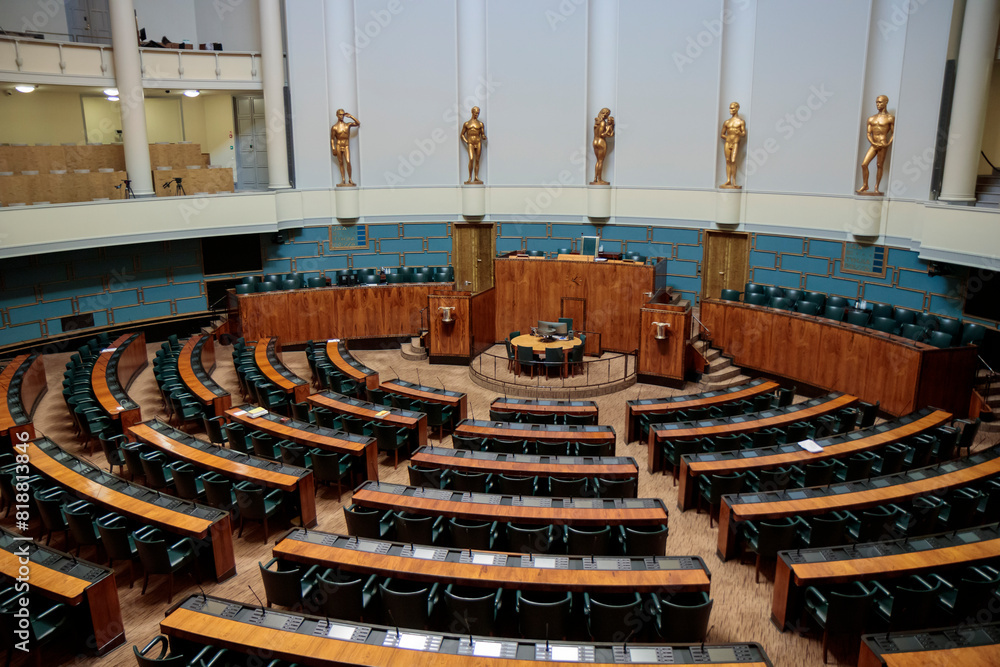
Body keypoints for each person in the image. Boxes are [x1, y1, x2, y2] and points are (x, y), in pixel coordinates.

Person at [857, 95, 894, 195]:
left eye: (880, 102)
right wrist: (873, 142)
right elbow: (868, 133)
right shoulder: (871, 118)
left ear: (886, 102)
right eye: (877, 102)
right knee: (864, 164)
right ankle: (865, 185)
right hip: (874, 144)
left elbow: (893, 133)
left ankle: (876, 187)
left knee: (879, 165)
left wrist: (888, 144)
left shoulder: (890, 118)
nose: (878, 104)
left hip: (882, 144)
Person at [330, 109, 361, 186]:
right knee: (341, 163)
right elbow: (332, 139)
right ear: (337, 115)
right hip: (338, 145)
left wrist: (350, 116)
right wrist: (333, 149)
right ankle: (343, 179)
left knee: (348, 161)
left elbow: (358, 123)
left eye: (343, 114)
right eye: (340, 114)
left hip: (346, 145)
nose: (342, 116)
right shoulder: (334, 127)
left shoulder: (347, 125)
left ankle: (350, 179)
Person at [720, 101, 746, 189]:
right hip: (728, 142)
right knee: (727, 160)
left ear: (737, 108)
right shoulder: (726, 122)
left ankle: (734, 181)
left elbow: (744, 134)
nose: (730, 110)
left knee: (733, 160)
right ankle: (728, 180)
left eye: (732, 108)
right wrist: (726, 137)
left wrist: (739, 132)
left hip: (735, 142)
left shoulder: (741, 122)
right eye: (730, 108)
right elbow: (722, 134)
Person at [460, 106, 487, 184]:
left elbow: (482, 134)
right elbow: (462, 135)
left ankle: (476, 177)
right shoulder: (467, 123)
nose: (477, 114)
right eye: (476, 113)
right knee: (471, 159)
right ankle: (469, 177)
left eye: (478, 113)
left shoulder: (480, 124)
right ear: (472, 112)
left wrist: (484, 137)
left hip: (478, 142)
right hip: (471, 142)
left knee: (477, 160)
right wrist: (467, 141)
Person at [590, 108, 615, 185]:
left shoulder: (596, 121)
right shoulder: (603, 123)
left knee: (598, 161)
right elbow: (602, 134)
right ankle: (599, 179)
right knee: (600, 161)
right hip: (601, 142)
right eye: (607, 115)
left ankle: (595, 178)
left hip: (595, 141)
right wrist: (610, 133)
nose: (607, 117)